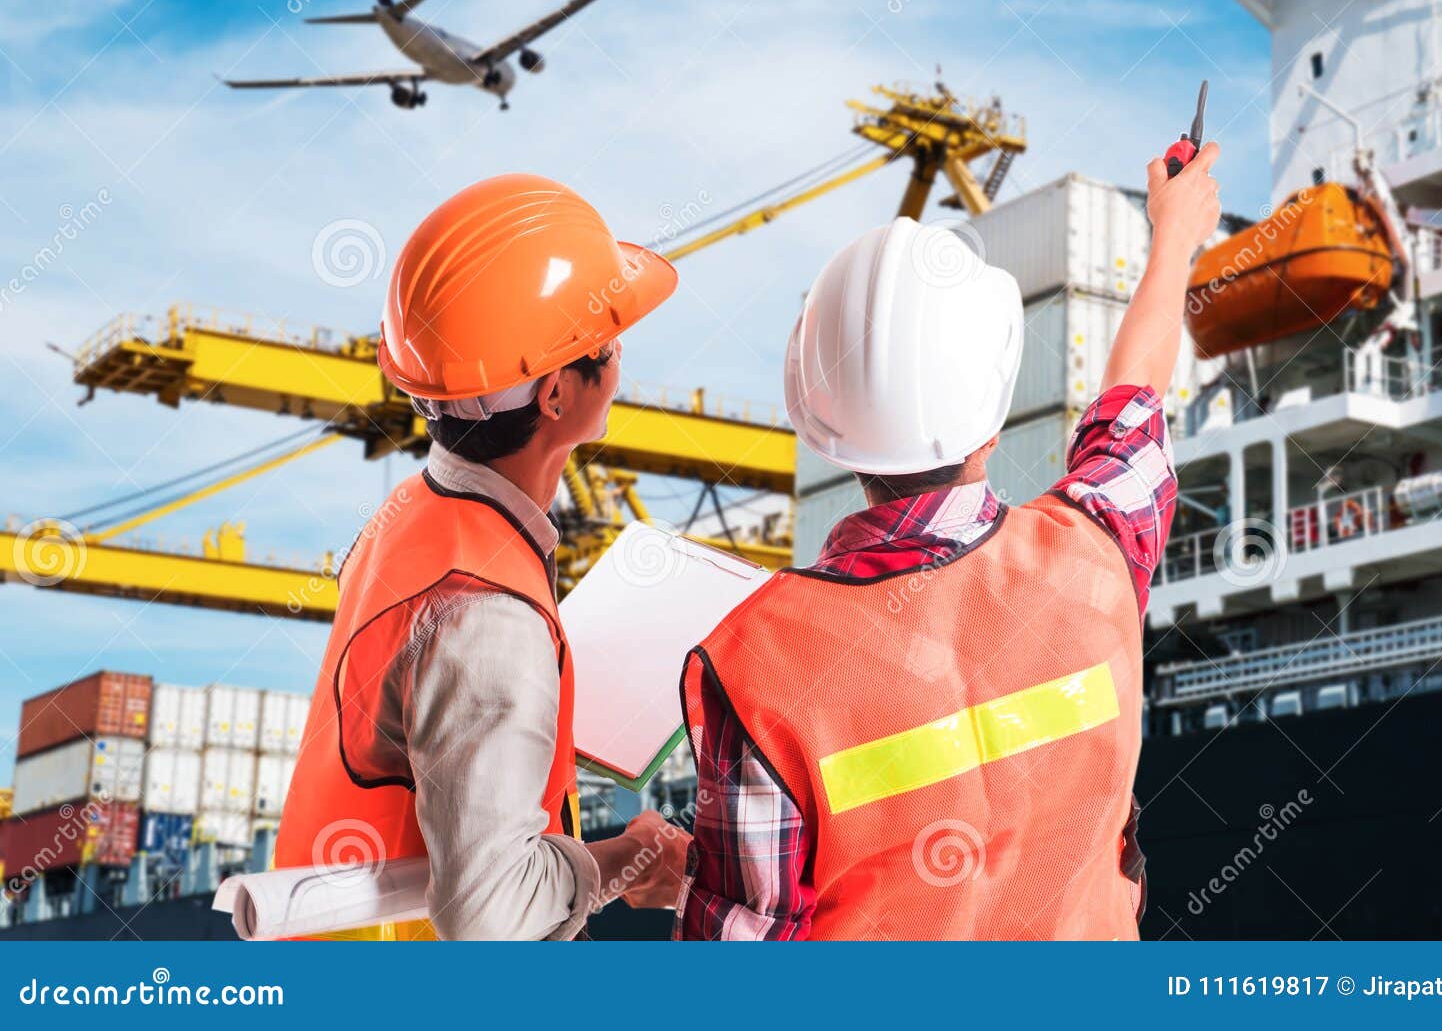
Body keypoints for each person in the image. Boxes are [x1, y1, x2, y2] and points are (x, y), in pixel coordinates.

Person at [675, 143, 1222, 940]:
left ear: (825, 434)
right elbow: (1131, 402)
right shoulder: (1098, 547)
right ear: (995, 415)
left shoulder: (757, 662)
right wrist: (1174, 234)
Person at [276, 173, 690, 940]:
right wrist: (624, 859)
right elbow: (491, 918)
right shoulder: (490, 613)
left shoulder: (407, 518)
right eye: (604, 340)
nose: (621, 347)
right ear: (558, 396)